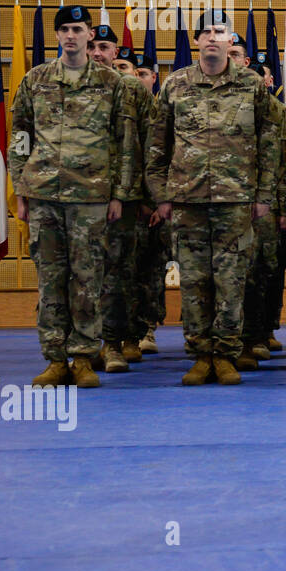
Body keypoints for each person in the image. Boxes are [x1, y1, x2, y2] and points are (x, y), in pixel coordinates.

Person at [146, 8, 279, 386]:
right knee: (193, 281)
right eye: (204, 32)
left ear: (230, 40)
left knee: (232, 281)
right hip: (187, 201)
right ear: (197, 41)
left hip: (235, 201)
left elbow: (269, 143)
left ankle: (225, 354)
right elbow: (158, 144)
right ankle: (200, 355)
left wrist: (264, 193)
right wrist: (161, 195)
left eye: (219, 31)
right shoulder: (175, 84)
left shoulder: (251, 86)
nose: (211, 37)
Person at [11, 5, 137, 388]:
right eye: (64, 29)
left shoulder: (110, 83)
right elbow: (19, 137)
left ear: (89, 35)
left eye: (77, 29)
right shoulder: (35, 80)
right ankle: (54, 358)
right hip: (44, 193)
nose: (70, 35)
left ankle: (83, 356)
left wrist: (119, 194)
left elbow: (124, 143)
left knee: (88, 277)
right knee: (50, 278)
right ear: (57, 35)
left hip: (91, 195)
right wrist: (20, 188)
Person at [87, 25, 156, 373]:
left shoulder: (132, 90)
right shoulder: (59, 85)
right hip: (76, 197)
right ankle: (81, 347)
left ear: (117, 53)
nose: (98, 53)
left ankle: (114, 342)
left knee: (120, 274)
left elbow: (150, 143)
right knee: (80, 274)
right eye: (93, 46)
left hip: (124, 199)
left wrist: (150, 197)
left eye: (105, 47)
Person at [241, 51, 286, 365]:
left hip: (271, 208)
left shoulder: (280, 113)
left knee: (267, 271)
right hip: (232, 202)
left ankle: (262, 330)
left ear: (269, 79)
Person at [130, 50, 168, 354]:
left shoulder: (163, 109)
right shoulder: (120, 107)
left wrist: (157, 201)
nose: (136, 77)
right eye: (129, 70)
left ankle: (147, 328)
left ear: (153, 78)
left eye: (142, 73)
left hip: (157, 204)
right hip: (126, 202)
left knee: (151, 270)